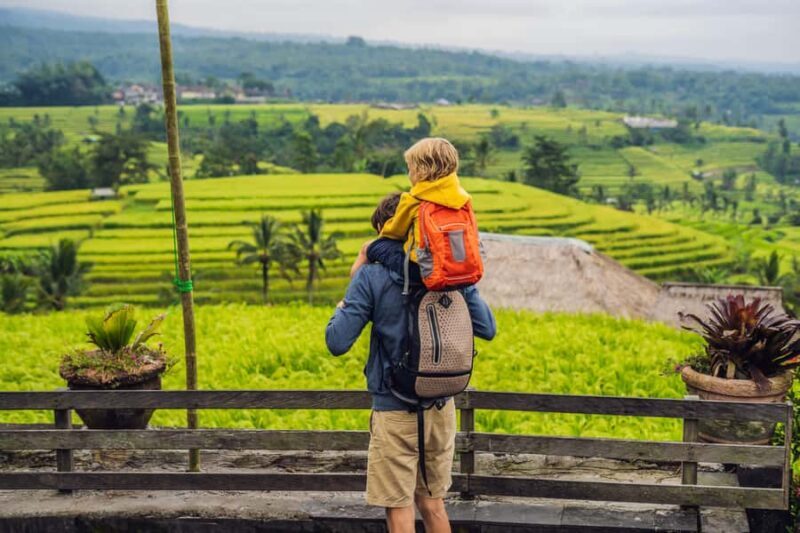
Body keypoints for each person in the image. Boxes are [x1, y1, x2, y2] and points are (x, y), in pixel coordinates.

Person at [326, 193, 496, 533]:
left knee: (399, 507)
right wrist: (464, 284)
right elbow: (487, 328)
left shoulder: (371, 277)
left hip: (394, 409)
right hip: (440, 407)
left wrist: (353, 282)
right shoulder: (449, 275)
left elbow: (337, 341)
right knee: (433, 505)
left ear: (385, 230)